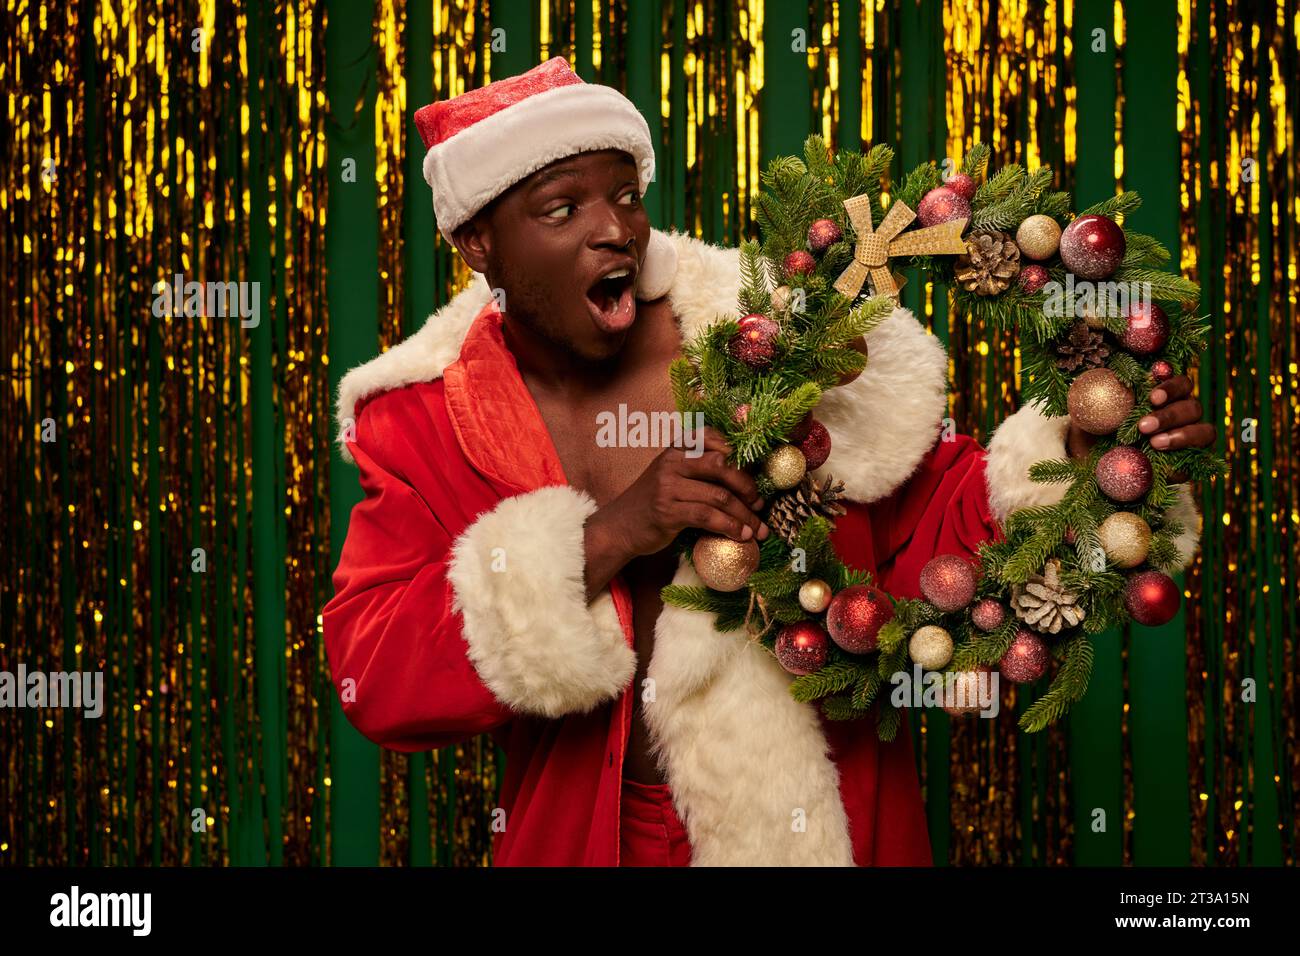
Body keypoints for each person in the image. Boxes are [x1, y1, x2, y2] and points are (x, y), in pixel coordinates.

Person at [322, 57, 1214, 866]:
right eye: (562, 210)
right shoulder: (425, 419)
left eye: (625, 196)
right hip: (587, 835)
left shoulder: (769, 329)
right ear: (478, 244)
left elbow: (928, 531)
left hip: (819, 821)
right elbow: (381, 674)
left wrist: (1081, 454)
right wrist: (614, 534)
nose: (615, 233)